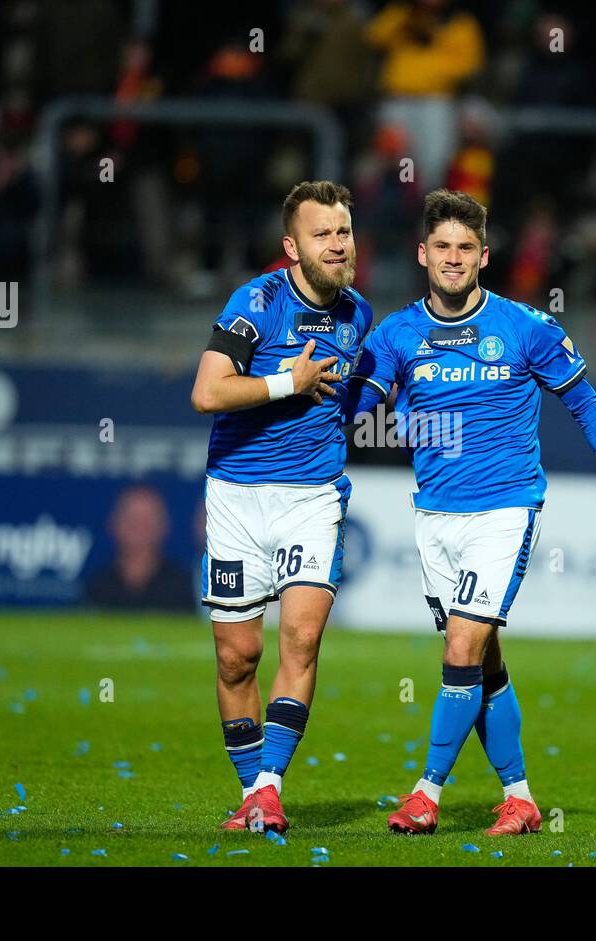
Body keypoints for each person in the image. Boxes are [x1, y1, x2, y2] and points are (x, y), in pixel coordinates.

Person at [344, 189, 596, 836]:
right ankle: (520, 798)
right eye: (442, 248)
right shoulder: (395, 334)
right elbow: (355, 410)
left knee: (460, 647)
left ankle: (425, 794)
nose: (453, 259)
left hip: (505, 510)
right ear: (422, 254)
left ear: (483, 256)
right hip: (433, 517)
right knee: (480, 662)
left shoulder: (524, 327)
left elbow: (585, 404)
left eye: (465, 249)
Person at [191, 181, 373, 834]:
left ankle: (270, 787)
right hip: (238, 499)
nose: (336, 243)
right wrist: (285, 382)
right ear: (292, 247)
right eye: (322, 233)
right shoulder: (257, 302)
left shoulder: (359, 314)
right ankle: (253, 796)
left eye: (343, 232)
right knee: (237, 656)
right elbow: (207, 393)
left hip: (312, 499)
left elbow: (355, 397)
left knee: (302, 636)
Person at [84, 485, 196, 611]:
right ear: (114, 524)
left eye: (148, 521)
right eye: (132, 520)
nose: (140, 528)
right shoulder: (98, 588)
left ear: (164, 526)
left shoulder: (181, 589)